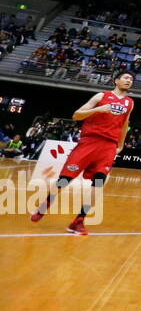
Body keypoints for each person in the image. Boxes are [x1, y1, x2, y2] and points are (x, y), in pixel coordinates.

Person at [31, 70, 134, 234]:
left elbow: (124, 124)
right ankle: (46, 204)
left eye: (131, 79)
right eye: (126, 78)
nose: (129, 81)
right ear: (116, 81)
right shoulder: (101, 96)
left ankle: (78, 221)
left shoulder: (129, 102)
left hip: (108, 147)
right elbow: (76, 115)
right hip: (89, 142)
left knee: (98, 184)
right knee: (64, 180)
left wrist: (120, 145)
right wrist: (98, 110)